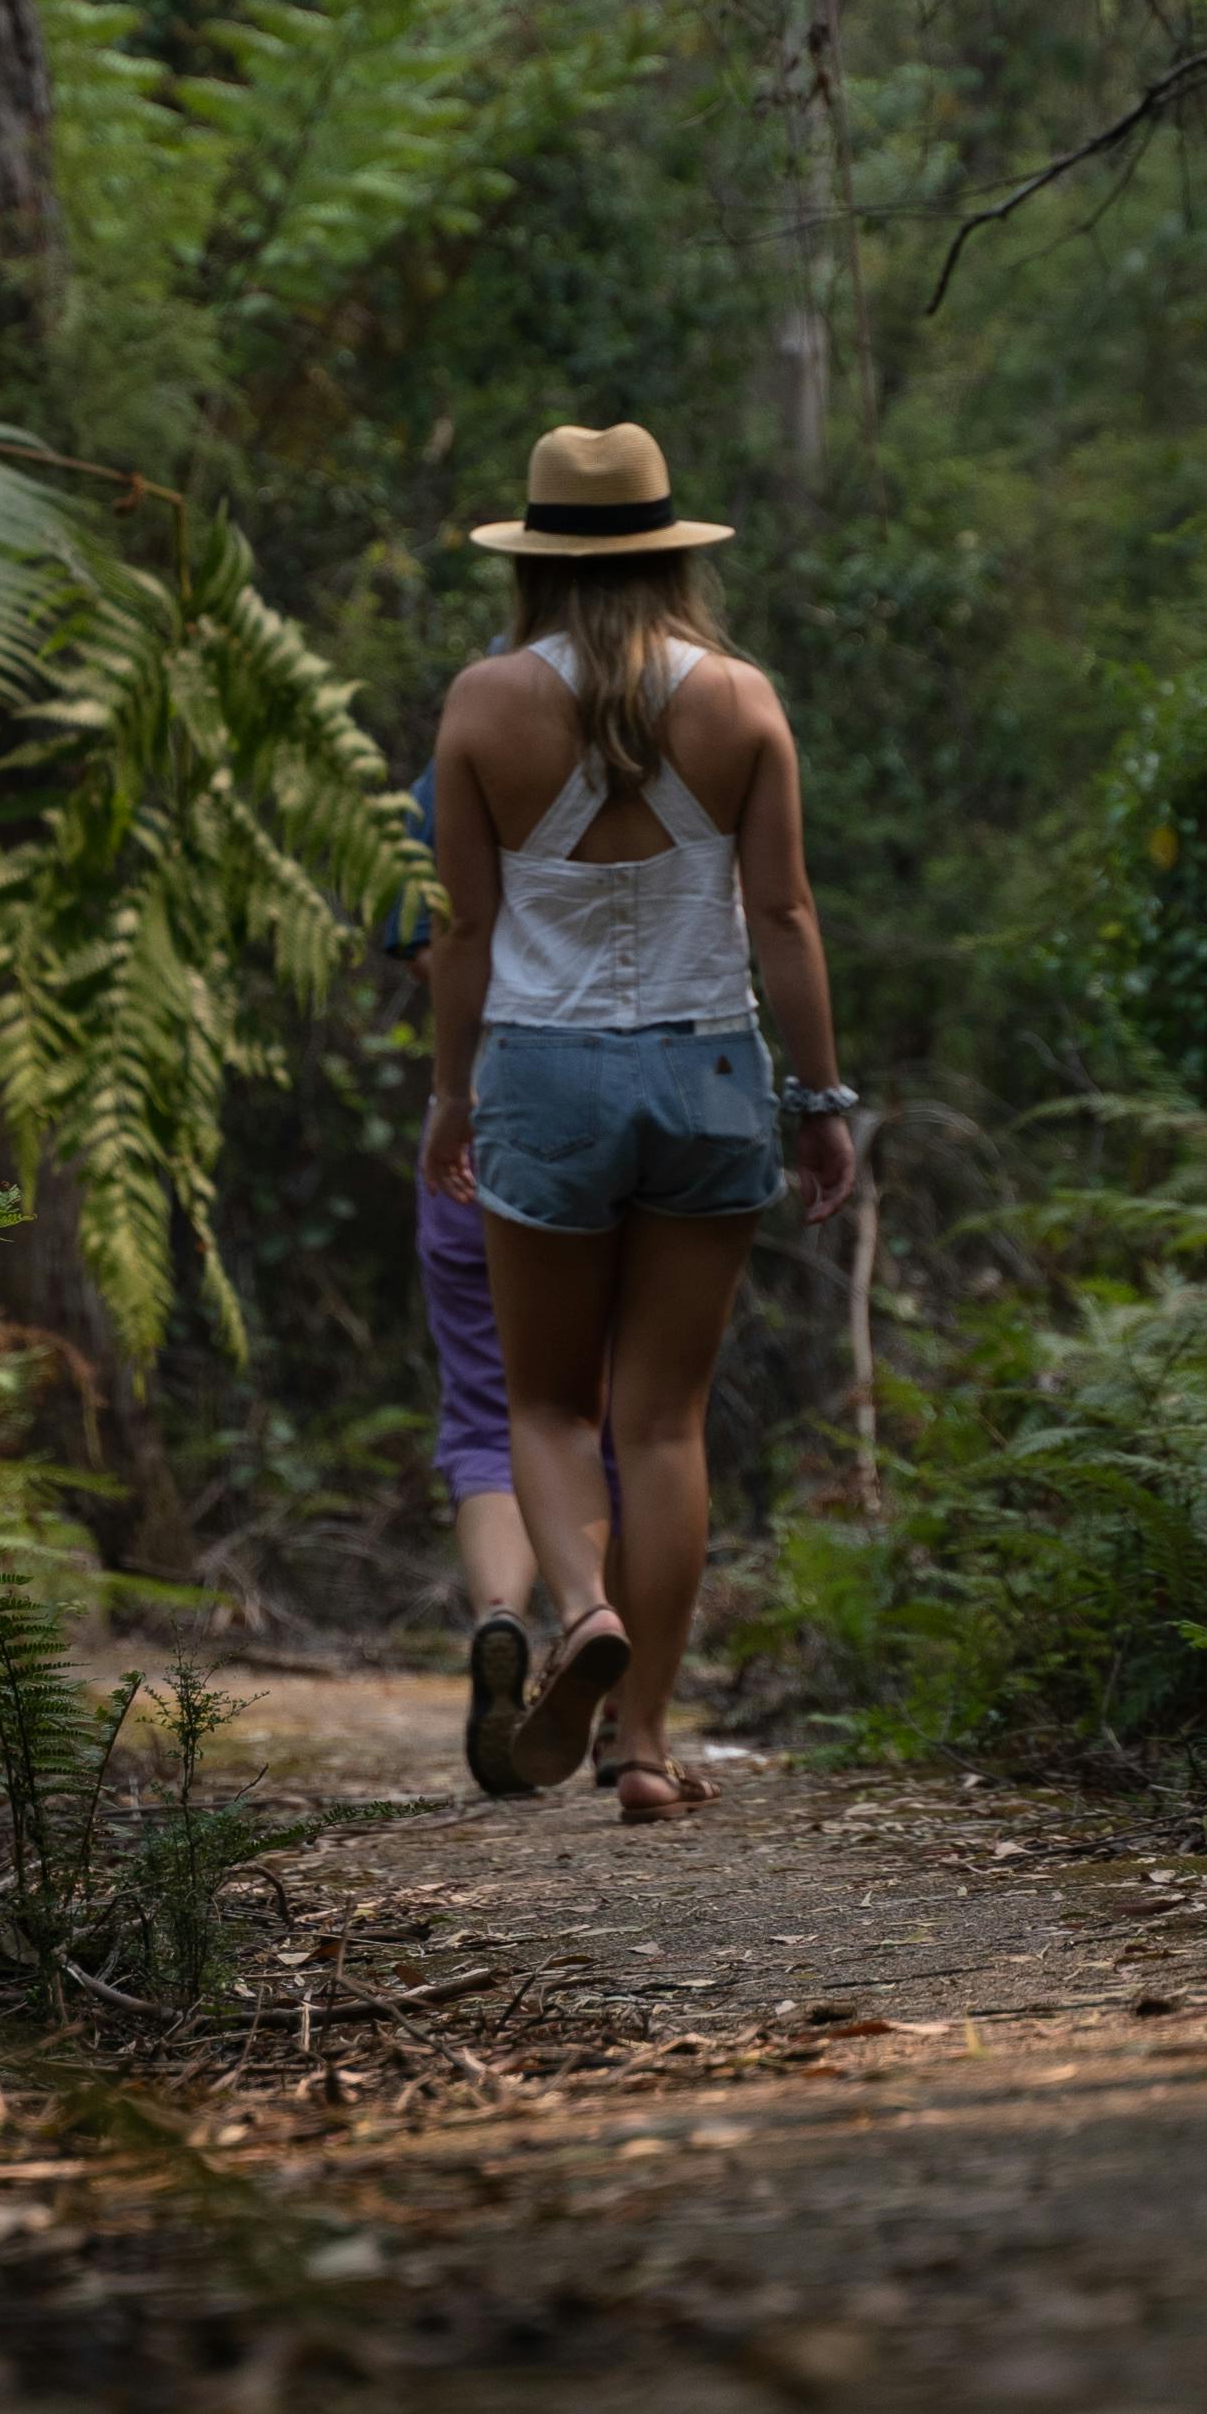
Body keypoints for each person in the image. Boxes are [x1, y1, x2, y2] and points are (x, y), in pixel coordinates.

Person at [420, 419, 864, 1824]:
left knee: (550, 1405)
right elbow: (784, 917)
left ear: (535, 561)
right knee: (665, 1424)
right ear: (675, 550)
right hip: (709, 1075)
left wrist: (449, 1097)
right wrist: (822, 1101)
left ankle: (580, 1608)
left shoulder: (485, 704)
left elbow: (464, 930)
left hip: (543, 1078)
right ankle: (648, 1745)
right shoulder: (740, 701)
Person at [384, 766, 612, 1800]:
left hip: (476, 1125)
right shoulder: (658, 751)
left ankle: (499, 1614)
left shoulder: (436, 788)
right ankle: (602, 1653)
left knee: (494, 1407)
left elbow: (430, 952)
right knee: (615, 1410)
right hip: (623, 1123)